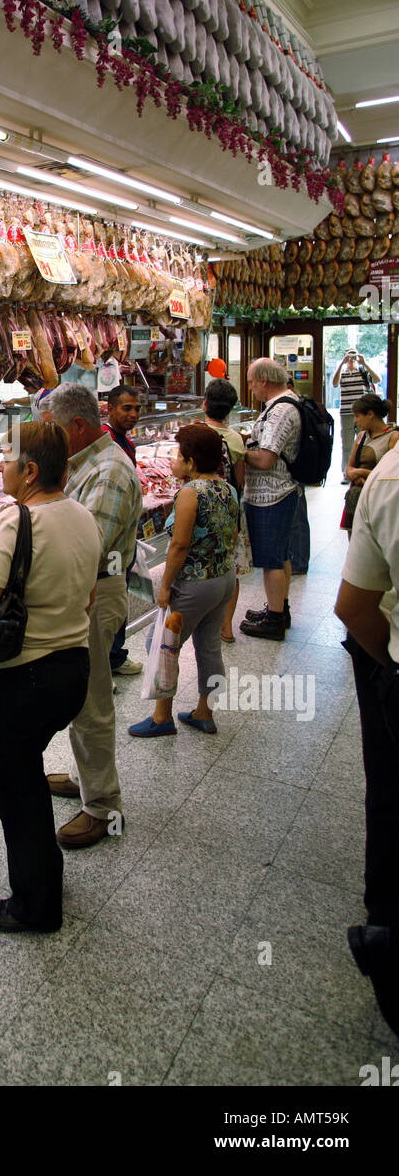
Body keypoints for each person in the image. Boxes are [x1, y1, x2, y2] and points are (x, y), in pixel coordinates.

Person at [0, 421, 101, 932]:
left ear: (31, 470)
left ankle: (35, 906)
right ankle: (44, 876)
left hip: (23, 679)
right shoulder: (83, 515)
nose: (0, 467)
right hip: (71, 670)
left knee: (14, 787)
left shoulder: (16, 521)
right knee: (26, 776)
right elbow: (85, 597)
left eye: (6, 460)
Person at [41, 382, 142, 847]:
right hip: (81, 591)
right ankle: (87, 780)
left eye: (55, 429)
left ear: (78, 426)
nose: (50, 438)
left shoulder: (110, 471)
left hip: (96, 592)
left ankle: (103, 807)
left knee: (91, 698)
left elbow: (90, 548)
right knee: (80, 694)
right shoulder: (84, 465)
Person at [334, 443, 399, 1037]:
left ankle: (385, 924)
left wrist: (388, 668)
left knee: (389, 796)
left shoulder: (390, 478)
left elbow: (353, 604)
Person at [128, 424, 238, 737]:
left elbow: (178, 545)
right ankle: (204, 712)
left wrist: (164, 588)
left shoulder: (190, 494)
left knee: (161, 643)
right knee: (209, 644)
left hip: (195, 583)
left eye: (178, 455)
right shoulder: (227, 488)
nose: (174, 461)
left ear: (190, 462)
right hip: (223, 579)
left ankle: (162, 717)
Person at [238, 359, 302, 642]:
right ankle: (280, 609)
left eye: (251, 381)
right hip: (280, 492)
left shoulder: (280, 411)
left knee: (271, 561)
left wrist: (239, 449)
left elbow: (265, 459)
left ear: (264, 380)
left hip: (272, 495)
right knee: (280, 555)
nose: (250, 387)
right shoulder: (284, 404)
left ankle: (274, 621)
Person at [103, 384, 144, 676]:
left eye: (137, 408)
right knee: (115, 594)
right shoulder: (108, 440)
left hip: (123, 534)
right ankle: (111, 658)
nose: (133, 414)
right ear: (110, 408)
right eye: (126, 408)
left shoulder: (122, 439)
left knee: (119, 593)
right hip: (113, 538)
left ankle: (114, 654)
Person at [201, 378, 246, 641]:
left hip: (198, 509)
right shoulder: (237, 439)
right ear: (230, 410)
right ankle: (226, 625)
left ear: (205, 404)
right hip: (229, 511)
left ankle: (200, 621)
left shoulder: (194, 433)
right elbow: (240, 481)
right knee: (230, 567)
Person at [341, 394, 398, 537]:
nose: (355, 420)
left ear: (371, 414)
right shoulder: (361, 436)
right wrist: (356, 473)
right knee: (355, 539)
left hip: (380, 497)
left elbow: (391, 474)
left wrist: (361, 472)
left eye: (358, 416)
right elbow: (349, 468)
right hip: (358, 496)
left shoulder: (393, 437)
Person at [333, 349, 382, 474]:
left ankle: (362, 469)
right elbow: (334, 383)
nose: (351, 358)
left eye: (353, 355)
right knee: (347, 444)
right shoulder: (342, 373)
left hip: (364, 414)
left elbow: (377, 379)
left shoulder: (363, 372)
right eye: (349, 355)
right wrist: (341, 364)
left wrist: (364, 363)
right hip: (346, 413)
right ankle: (346, 472)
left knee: (364, 442)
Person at [285, 379, 311, 576]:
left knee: (297, 517)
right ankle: (297, 558)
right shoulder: (299, 405)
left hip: (294, 470)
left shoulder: (293, 406)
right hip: (298, 467)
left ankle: (299, 561)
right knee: (297, 516)